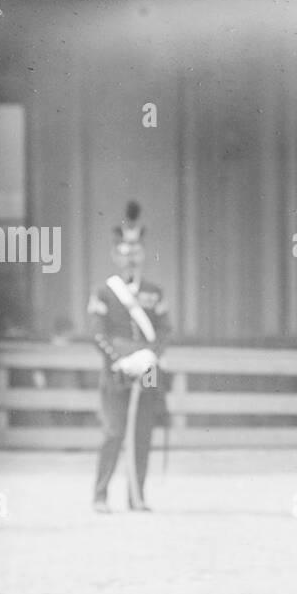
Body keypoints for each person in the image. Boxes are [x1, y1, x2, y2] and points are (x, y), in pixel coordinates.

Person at [88, 202, 171, 512]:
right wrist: (119, 359)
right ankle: (100, 494)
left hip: (147, 368)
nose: (131, 258)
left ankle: (137, 495)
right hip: (117, 368)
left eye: (136, 251)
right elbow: (97, 333)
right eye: (125, 252)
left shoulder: (155, 292)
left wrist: (152, 355)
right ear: (115, 255)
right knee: (114, 431)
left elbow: (165, 331)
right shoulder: (104, 293)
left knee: (142, 431)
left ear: (143, 254)